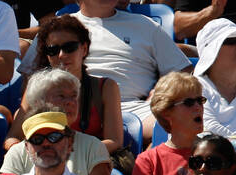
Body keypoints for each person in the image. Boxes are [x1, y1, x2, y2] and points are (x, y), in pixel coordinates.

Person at [66, 0, 189, 139]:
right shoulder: (61, 28)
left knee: (180, 125)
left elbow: (183, 70)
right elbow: (36, 72)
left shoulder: (145, 25)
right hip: (74, 105)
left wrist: (161, 91)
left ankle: (145, 159)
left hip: (134, 108)